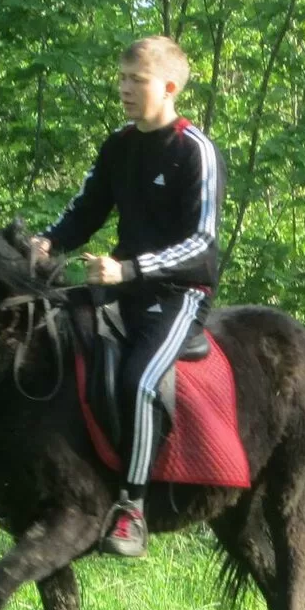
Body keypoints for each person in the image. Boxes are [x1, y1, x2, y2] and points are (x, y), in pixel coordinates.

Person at [34, 35, 225, 558]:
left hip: (179, 294)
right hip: (120, 284)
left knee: (141, 381)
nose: (123, 88)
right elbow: (86, 208)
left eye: (134, 80)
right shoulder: (119, 144)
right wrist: (48, 243)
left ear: (167, 87)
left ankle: (131, 510)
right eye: (120, 78)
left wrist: (129, 269)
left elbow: (203, 246)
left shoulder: (196, 151)